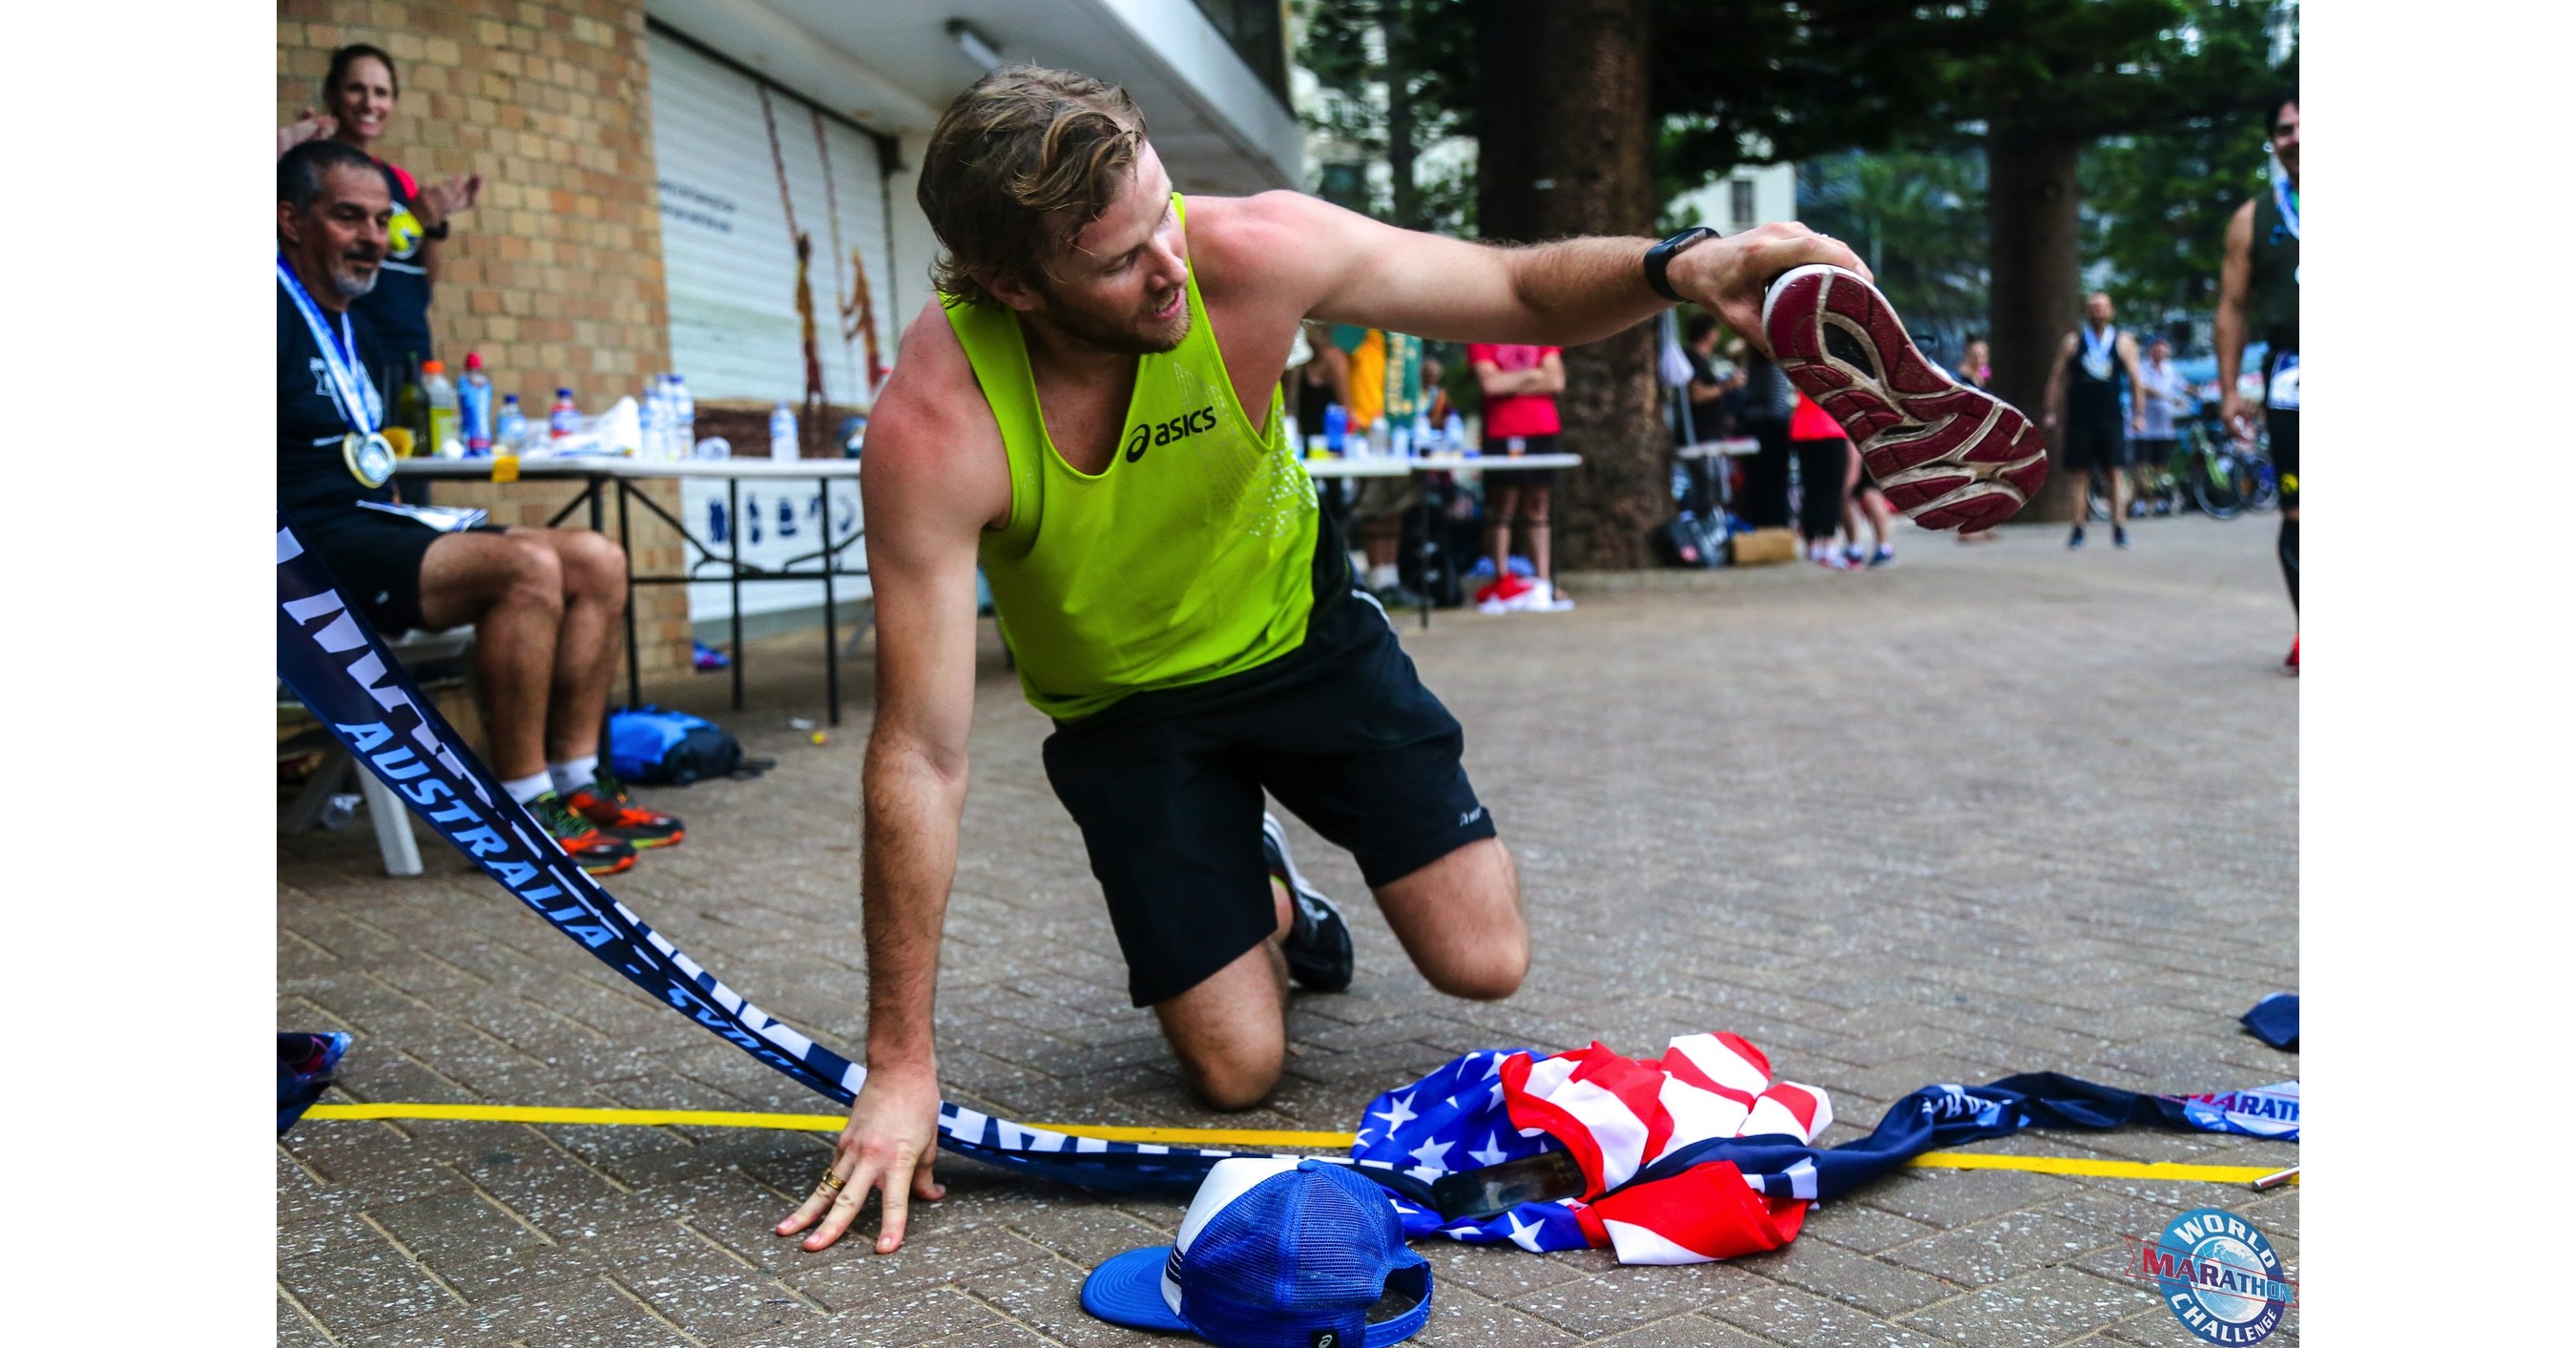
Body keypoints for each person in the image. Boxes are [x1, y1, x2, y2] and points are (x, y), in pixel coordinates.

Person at [774, 65, 2011, 1257]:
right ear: (1012, 284)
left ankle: (1270, 859)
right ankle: (1264, 888)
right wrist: (902, 1068)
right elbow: (922, 757)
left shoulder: (1247, 252)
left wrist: (1684, 265)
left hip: (1299, 638)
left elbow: (1517, 294)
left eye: (1164, 216)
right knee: (1236, 1072)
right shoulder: (940, 425)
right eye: (1118, 258)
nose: (1170, 266)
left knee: (1487, 960)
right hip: (1125, 707)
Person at [277, 140, 678, 876]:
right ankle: (520, 808)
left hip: (369, 523)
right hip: (298, 556)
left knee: (598, 556)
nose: (371, 237)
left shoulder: (347, 318)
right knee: (523, 567)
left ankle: (576, 782)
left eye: (380, 220)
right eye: (347, 217)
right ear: (289, 221)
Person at [280, 44, 483, 399]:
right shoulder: (313, 169)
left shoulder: (400, 180)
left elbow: (420, 276)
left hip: (412, 346)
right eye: (356, 88)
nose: (370, 103)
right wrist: (415, 218)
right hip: (348, 341)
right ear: (332, 94)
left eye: (382, 93)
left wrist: (432, 225)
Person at [2217, 93, 2299, 673]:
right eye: (2285, 130)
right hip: (2294, 373)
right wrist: (2228, 390)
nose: (2295, 138)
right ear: (2273, 141)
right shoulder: (2252, 218)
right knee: (2300, 511)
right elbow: (2231, 308)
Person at [2044, 292, 2149, 550]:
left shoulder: (2123, 342)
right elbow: (2057, 376)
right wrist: (2050, 410)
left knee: (2115, 472)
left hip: (2110, 418)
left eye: (2102, 307)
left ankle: (2119, 526)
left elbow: (2136, 380)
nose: (2097, 312)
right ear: (2087, 312)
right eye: (2093, 307)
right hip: (2080, 418)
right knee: (2079, 474)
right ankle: (2078, 526)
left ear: (2111, 311)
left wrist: (2139, 414)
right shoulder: (2073, 342)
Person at [1466, 342, 1566, 607]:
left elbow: (1556, 380)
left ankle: (1544, 582)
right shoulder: (1483, 336)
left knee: (1538, 507)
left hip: (1542, 428)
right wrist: (1533, 375)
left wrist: (1508, 380)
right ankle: (1501, 578)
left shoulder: (1541, 333)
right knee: (1503, 505)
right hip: (1503, 429)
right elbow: (1489, 385)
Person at [1790, 390, 1855, 568]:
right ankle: (1828, 544)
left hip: (1803, 428)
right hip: (1829, 428)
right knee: (1831, 490)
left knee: (1811, 490)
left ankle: (1812, 546)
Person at [2129, 335, 2190, 516]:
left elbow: (2184, 386)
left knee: (2160, 464)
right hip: (2144, 427)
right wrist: (2168, 397)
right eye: (2156, 347)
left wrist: (2200, 393)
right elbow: (2142, 388)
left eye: (2163, 347)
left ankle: (2159, 500)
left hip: (2164, 427)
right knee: (2141, 465)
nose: (2160, 351)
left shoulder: (2170, 370)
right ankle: (2139, 501)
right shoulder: (2141, 368)